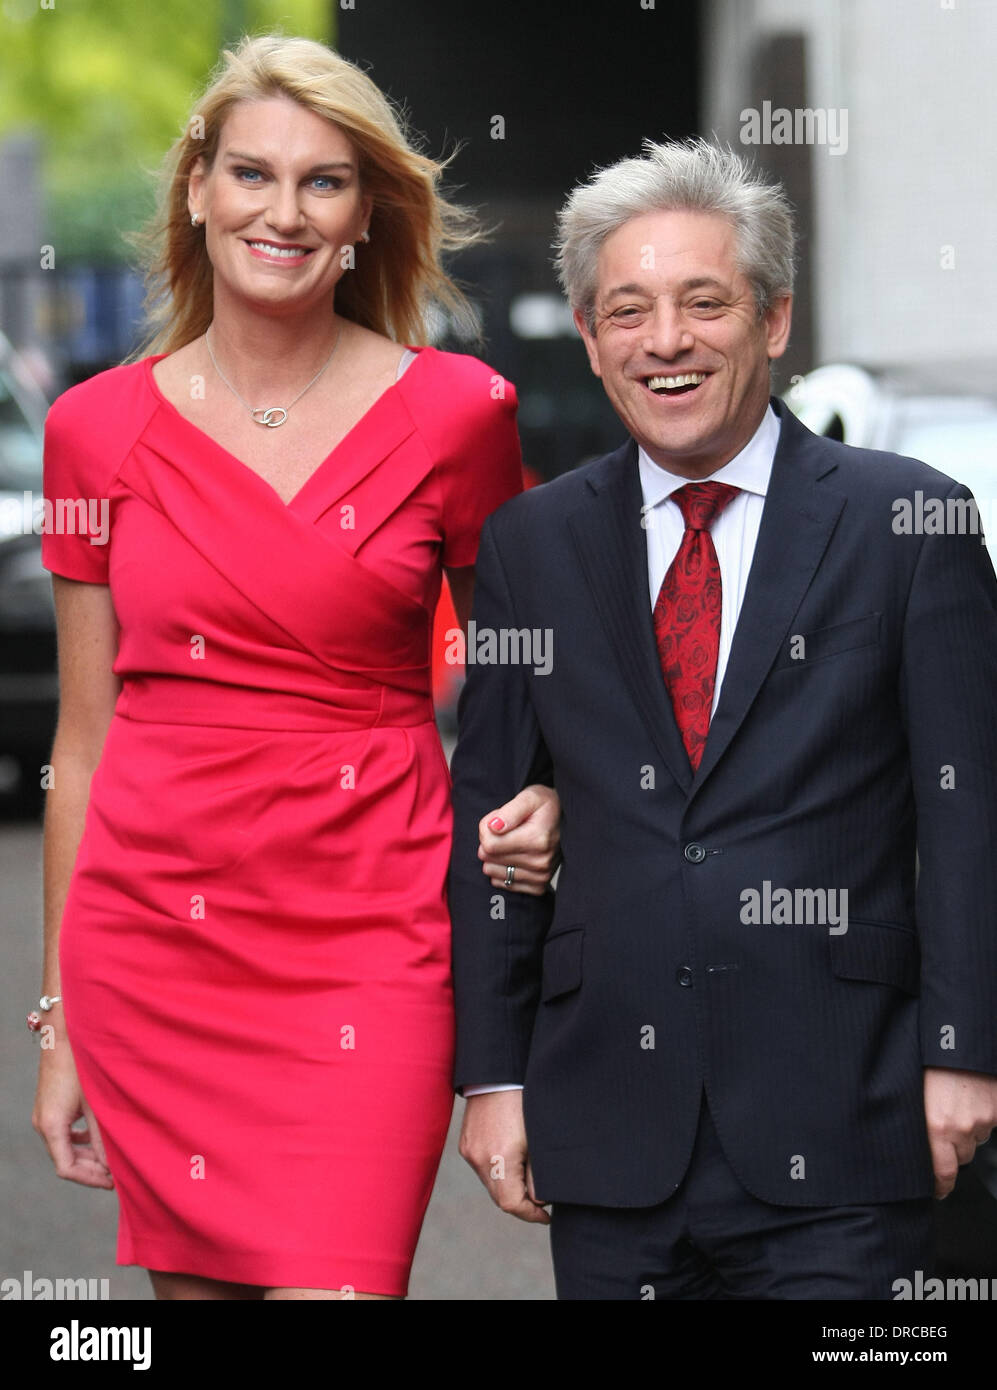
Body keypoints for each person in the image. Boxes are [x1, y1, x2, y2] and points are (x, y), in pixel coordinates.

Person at [31, 32, 559, 1302]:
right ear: (198, 188)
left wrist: (551, 797)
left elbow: (521, 677)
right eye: (252, 174)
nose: (283, 210)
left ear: (368, 214)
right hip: (153, 949)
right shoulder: (90, 430)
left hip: (371, 939)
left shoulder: (459, 412)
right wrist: (58, 1020)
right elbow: (82, 745)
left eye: (324, 181)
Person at [449, 137, 997, 1299]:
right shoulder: (530, 545)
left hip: (849, 1116)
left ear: (774, 319)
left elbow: (970, 816)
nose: (666, 341)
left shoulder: (911, 524)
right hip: (609, 1130)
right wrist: (492, 1075)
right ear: (590, 339)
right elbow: (488, 822)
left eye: (704, 302)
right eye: (627, 310)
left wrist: (964, 1050)